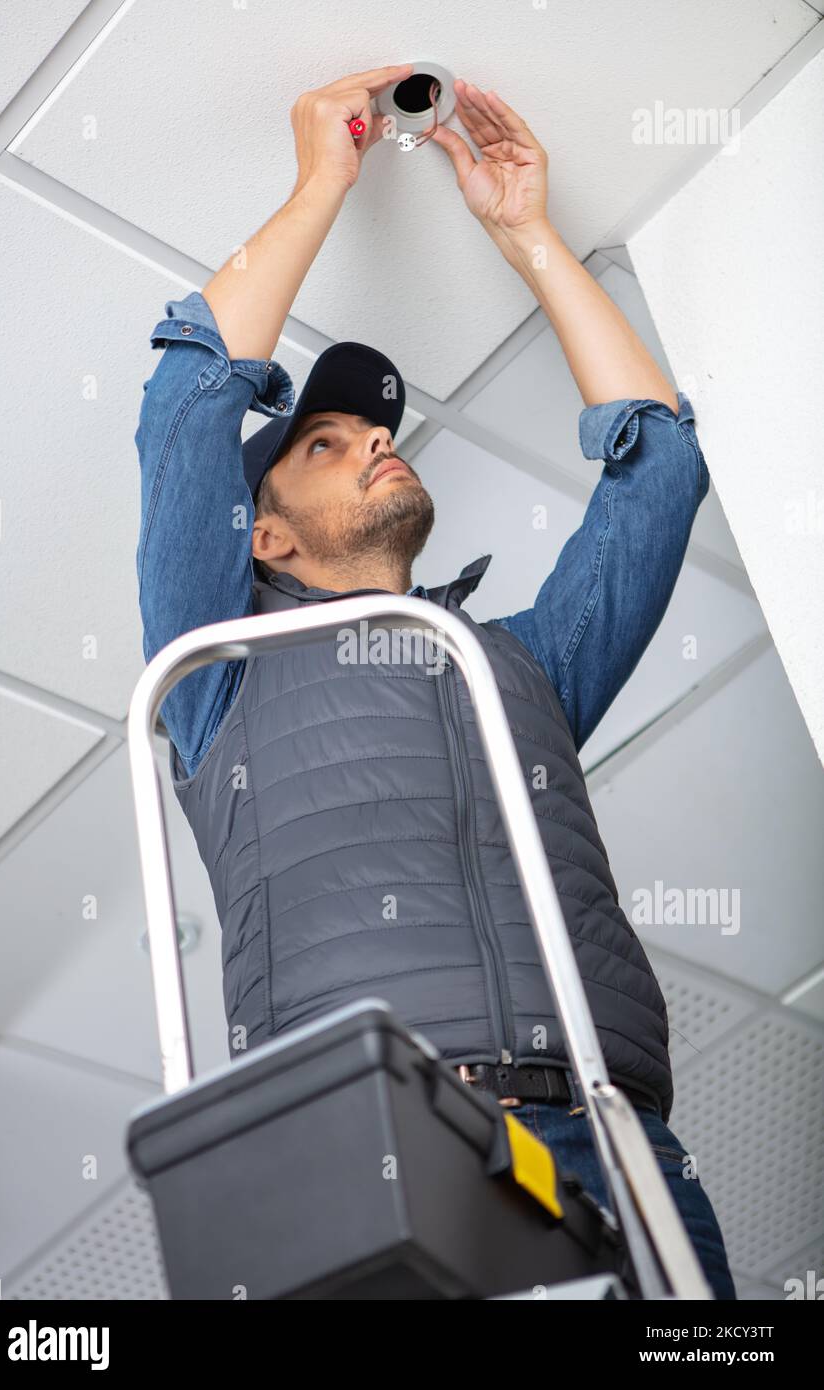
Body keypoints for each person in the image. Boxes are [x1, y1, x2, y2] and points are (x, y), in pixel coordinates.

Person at [134, 64, 735, 1299]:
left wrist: (526, 235)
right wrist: (320, 184)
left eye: (376, 432)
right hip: (380, 1142)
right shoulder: (215, 670)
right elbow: (184, 413)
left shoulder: (516, 662)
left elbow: (659, 470)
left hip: (615, 1152)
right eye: (325, 445)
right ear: (265, 535)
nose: (374, 443)